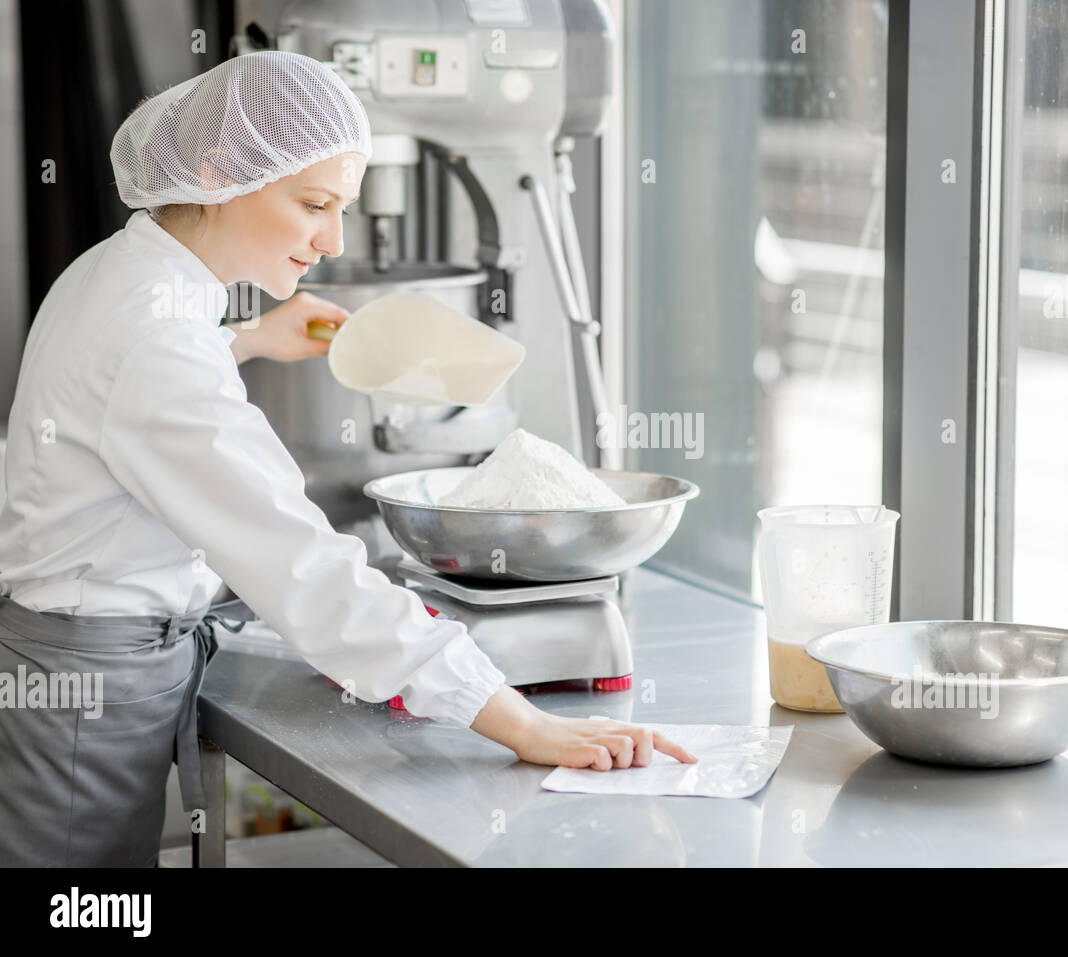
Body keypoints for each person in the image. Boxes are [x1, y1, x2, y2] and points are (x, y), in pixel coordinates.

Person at [0, 50, 694, 867]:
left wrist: (250, 337)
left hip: (78, 663)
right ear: (222, 170)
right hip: (89, 696)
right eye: (314, 205)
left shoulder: (120, 272)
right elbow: (307, 570)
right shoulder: (158, 344)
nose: (331, 240)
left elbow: (123, 386)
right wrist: (520, 720)